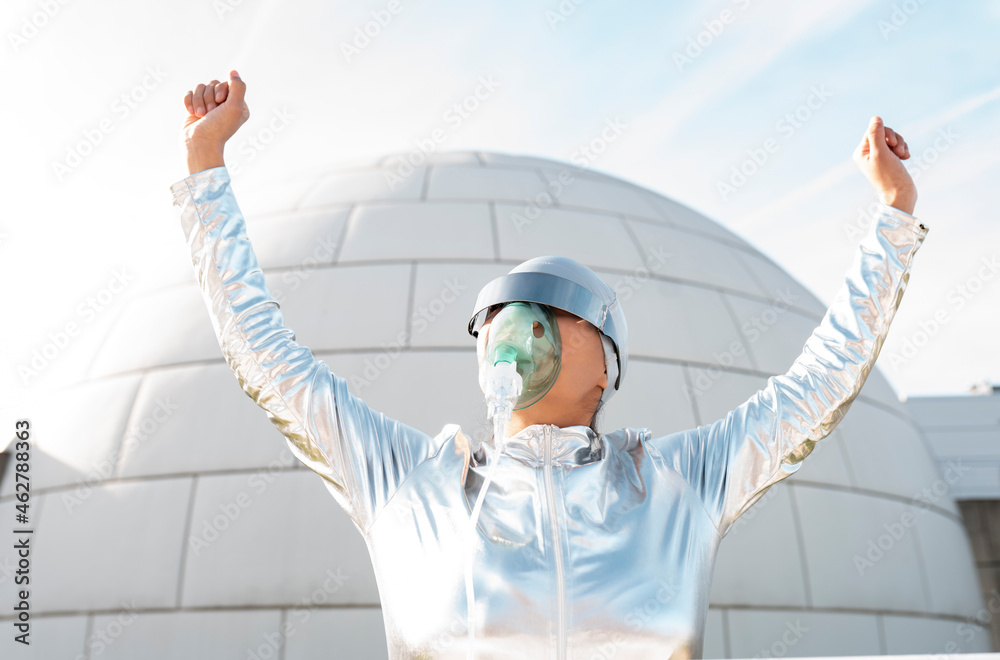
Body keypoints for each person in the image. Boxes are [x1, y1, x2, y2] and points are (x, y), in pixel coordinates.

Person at [172, 70, 927, 659]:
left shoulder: (678, 485)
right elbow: (268, 358)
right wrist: (206, 168)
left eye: (555, 313)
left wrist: (893, 218)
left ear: (607, 369)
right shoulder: (410, 483)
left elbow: (818, 385)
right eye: (499, 315)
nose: (518, 328)